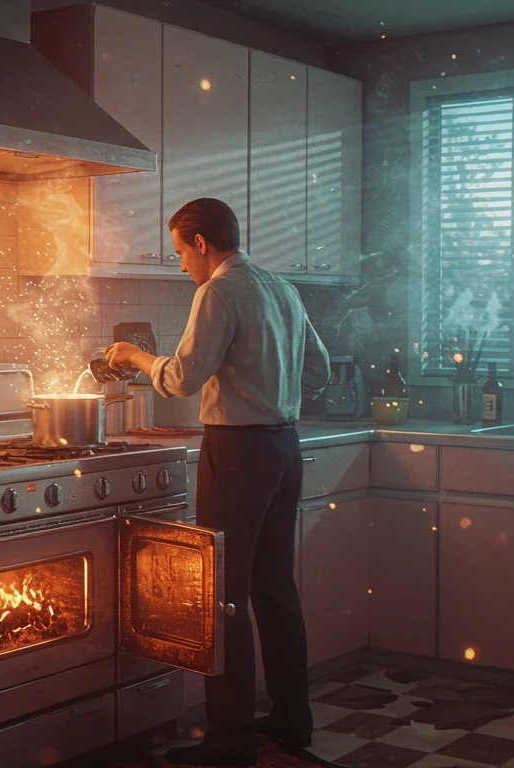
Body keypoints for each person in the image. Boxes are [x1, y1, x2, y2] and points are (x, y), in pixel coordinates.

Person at [106, 198, 330, 767]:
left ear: (202, 243)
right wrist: (265, 380)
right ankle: (290, 719)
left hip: (237, 453)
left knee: (222, 596)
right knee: (275, 590)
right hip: (284, 447)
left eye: (182, 252)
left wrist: (133, 354)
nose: (182, 265)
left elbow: (181, 379)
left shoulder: (218, 292)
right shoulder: (282, 288)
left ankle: (231, 743)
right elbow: (319, 370)